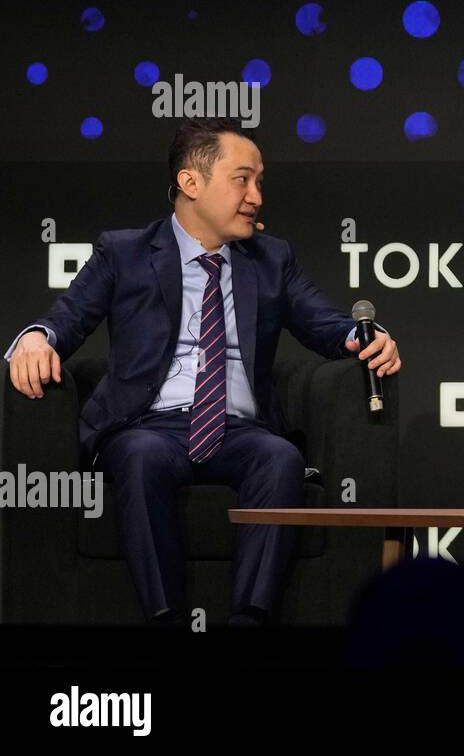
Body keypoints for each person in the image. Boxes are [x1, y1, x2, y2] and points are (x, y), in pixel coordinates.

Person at [5, 116, 401, 625]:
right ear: (191, 183)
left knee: (280, 458)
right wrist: (36, 338)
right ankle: (165, 618)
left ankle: (248, 620)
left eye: (260, 181)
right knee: (141, 455)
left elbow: (324, 323)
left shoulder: (272, 257)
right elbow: (67, 318)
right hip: (149, 425)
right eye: (242, 179)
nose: (256, 195)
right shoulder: (124, 251)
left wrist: (363, 338)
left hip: (240, 429)